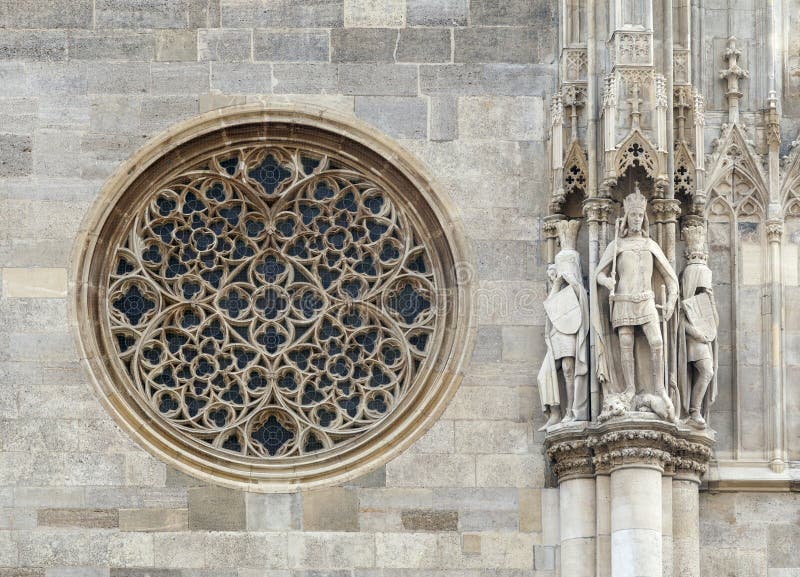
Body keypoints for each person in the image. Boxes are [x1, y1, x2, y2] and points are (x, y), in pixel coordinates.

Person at [591, 184, 679, 420]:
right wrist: (607, 282)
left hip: (646, 299)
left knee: (657, 341)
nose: (637, 219)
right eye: (633, 215)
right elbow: (599, 273)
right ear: (626, 218)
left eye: (641, 215)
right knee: (626, 344)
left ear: (645, 217)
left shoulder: (651, 245)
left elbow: (671, 278)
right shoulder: (616, 246)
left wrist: (670, 303)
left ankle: (659, 388)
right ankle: (630, 388)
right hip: (623, 299)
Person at [538, 220, 590, 429]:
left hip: (571, 330)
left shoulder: (578, 291)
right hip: (557, 333)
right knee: (545, 374)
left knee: (569, 368)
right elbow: (550, 307)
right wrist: (558, 283)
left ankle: (571, 410)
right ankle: (555, 412)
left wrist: (572, 282)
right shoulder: (557, 289)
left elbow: (581, 305)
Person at [677, 225, 718, 428]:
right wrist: (698, 334)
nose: (707, 287)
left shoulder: (704, 296)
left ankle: (695, 410)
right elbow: (681, 322)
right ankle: (693, 410)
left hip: (703, 337)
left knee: (706, 372)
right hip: (694, 340)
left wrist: (709, 300)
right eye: (703, 283)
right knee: (706, 371)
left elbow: (713, 320)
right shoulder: (687, 299)